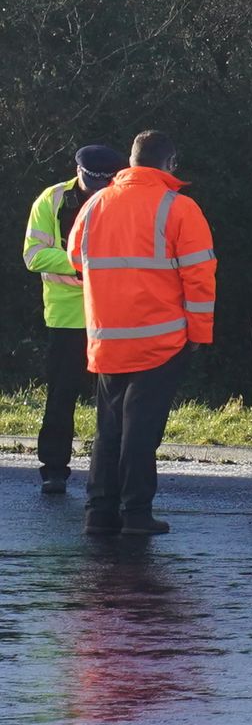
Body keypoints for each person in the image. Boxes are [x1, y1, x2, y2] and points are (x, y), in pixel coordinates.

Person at [68, 130, 215, 536]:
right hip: (160, 339)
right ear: (170, 163)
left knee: (109, 426)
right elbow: (200, 278)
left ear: (130, 162)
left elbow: (75, 258)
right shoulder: (179, 208)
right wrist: (199, 333)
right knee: (141, 428)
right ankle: (136, 513)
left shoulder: (95, 203)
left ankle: (99, 513)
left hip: (106, 336)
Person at [21, 144, 125, 494]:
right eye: (90, 183)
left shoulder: (119, 198)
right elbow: (33, 255)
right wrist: (81, 262)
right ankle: (53, 469)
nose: (95, 190)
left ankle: (108, 471)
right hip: (66, 316)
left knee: (111, 398)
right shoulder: (51, 200)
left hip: (111, 313)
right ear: (78, 172)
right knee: (61, 394)